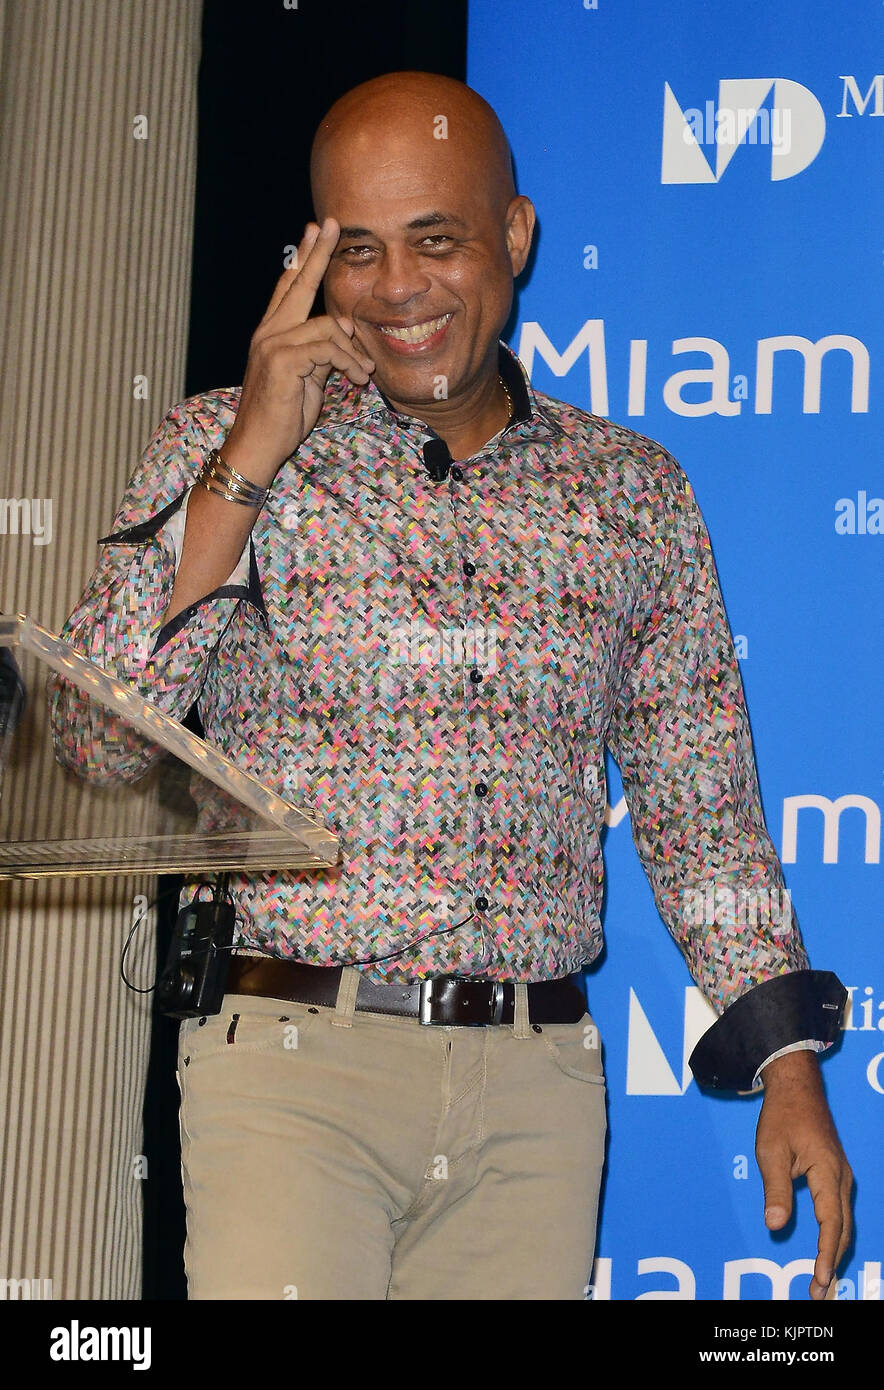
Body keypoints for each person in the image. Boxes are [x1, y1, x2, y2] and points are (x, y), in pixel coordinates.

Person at [50, 71, 852, 1301]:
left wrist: (784, 1056)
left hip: (530, 1100)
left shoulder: (630, 494)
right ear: (312, 260)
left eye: (436, 239)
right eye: (355, 250)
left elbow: (704, 811)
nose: (397, 289)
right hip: (287, 1072)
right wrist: (250, 455)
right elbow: (91, 747)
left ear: (514, 236)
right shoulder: (220, 445)